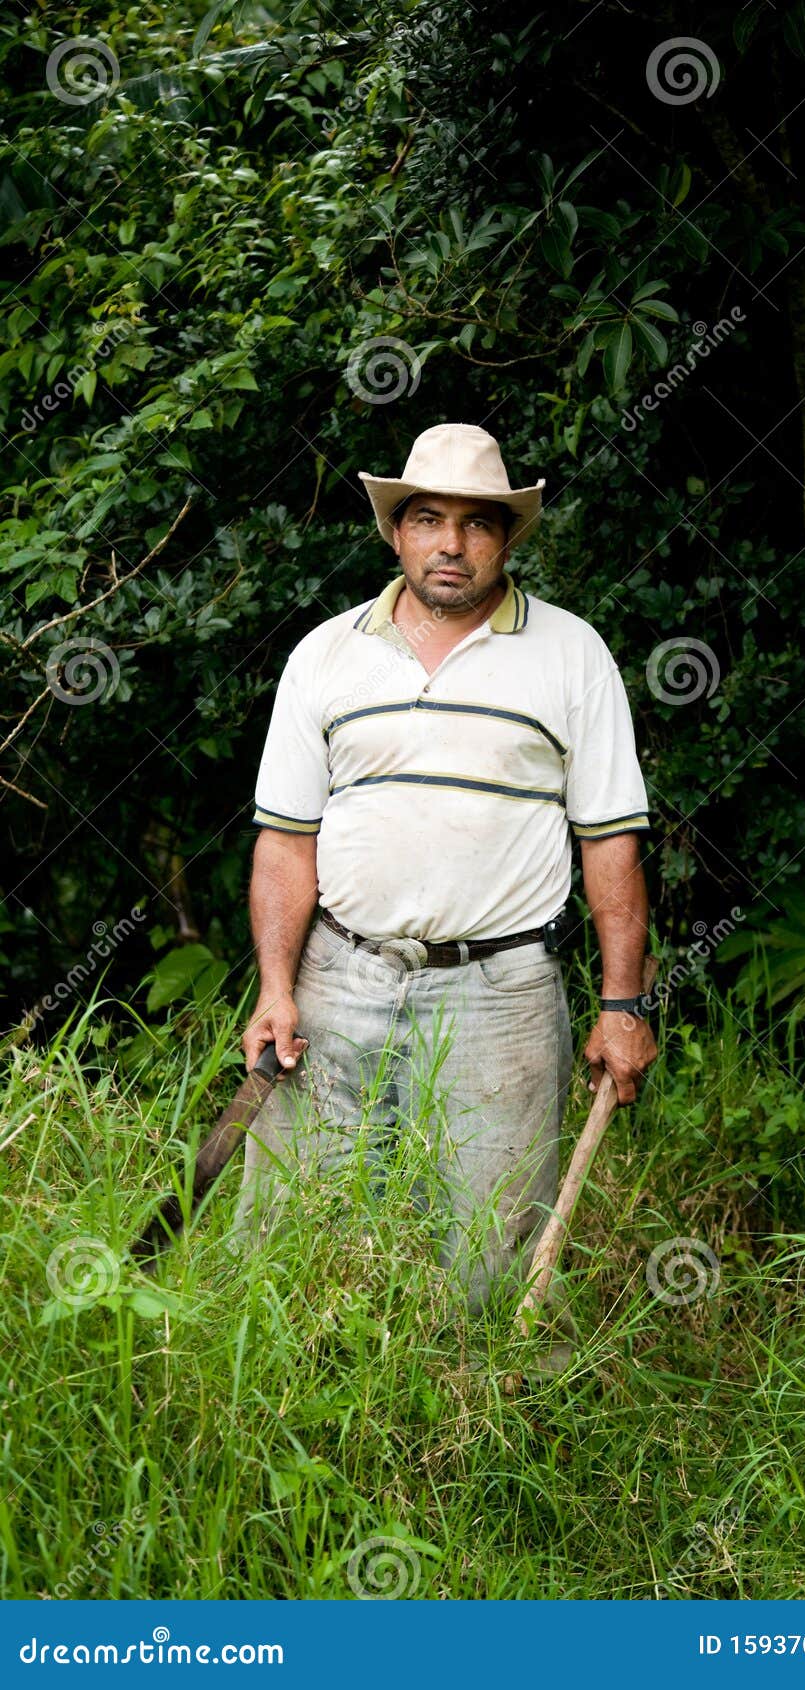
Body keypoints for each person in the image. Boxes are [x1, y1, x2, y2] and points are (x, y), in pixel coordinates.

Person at [235, 422, 657, 1319]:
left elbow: (609, 842)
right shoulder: (326, 653)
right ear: (396, 532)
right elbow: (285, 842)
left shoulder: (572, 654)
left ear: (507, 538)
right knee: (293, 1232)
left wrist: (622, 1007)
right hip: (338, 977)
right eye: (427, 519)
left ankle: (482, 1429)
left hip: (499, 993)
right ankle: (297, 1416)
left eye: (477, 524)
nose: (451, 545)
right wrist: (277, 988)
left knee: (491, 1251)